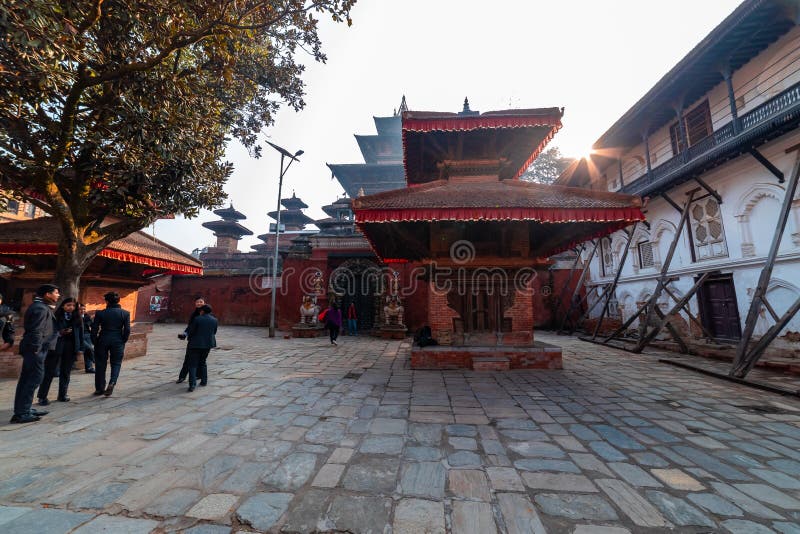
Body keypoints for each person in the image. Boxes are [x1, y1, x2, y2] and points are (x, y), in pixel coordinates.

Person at [10, 284, 59, 424]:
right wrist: (36, 348)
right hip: (35, 348)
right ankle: (22, 413)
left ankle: (24, 408)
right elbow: (36, 330)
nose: (58, 295)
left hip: (35, 348)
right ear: (47, 294)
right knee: (33, 379)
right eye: (56, 293)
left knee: (27, 379)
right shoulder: (40, 308)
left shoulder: (40, 307)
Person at [38, 298, 83, 404]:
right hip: (56, 345)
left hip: (71, 346)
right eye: (68, 305)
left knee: (66, 372)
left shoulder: (77, 318)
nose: (71, 307)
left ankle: (62, 394)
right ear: (63, 306)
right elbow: (49, 331)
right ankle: (42, 396)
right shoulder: (55, 317)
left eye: (73, 305)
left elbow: (81, 334)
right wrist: (61, 332)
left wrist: (80, 348)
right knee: (49, 371)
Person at [91, 291, 130, 397]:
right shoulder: (125, 313)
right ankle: (112, 382)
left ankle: (99, 389)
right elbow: (127, 330)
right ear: (118, 301)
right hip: (118, 340)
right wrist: (123, 340)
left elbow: (94, 329)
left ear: (107, 301)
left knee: (100, 364)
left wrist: (94, 340)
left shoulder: (100, 313)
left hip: (103, 339)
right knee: (116, 363)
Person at [185, 304, 217, 392]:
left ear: (202, 311)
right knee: (203, 362)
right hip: (208, 344)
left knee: (193, 364)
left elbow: (191, 331)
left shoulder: (197, 319)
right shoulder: (214, 320)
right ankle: (204, 381)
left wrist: (188, 337)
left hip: (195, 344)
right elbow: (214, 332)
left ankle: (192, 385)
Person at [176, 296, 205, 384]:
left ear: (204, 303)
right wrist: (185, 334)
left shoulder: (207, 314)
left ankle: (198, 375)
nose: (199, 303)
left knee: (201, 360)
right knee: (188, 359)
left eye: (201, 302)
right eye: (197, 302)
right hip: (193, 340)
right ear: (195, 303)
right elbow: (190, 327)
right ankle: (182, 376)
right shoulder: (194, 314)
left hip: (202, 341)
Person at [79, 303, 95, 373]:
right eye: (81, 309)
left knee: (87, 351)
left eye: (84, 309)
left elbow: (92, 325)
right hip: (80, 336)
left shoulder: (87, 316)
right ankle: (95, 359)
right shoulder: (75, 317)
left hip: (87, 335)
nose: (83, 311)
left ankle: (89, 368)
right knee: (89, 348)